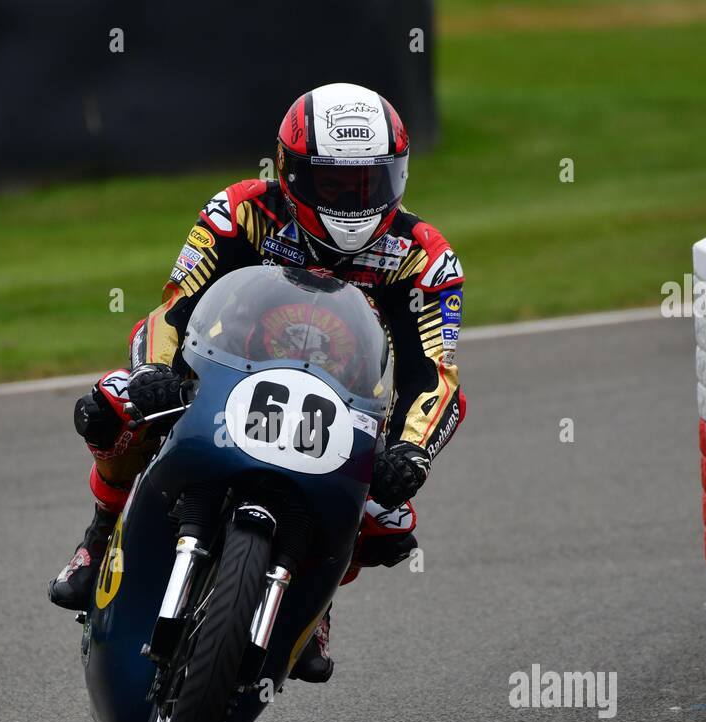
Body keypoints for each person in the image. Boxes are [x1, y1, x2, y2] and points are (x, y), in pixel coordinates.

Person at [49, 82, 466, 683]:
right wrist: (157, 375)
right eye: (333, 183)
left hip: (343, 412)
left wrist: (412, 452)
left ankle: (314, 604)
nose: (353, 200)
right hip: (220, 379)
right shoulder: (239, 209)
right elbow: (176, 307)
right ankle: (97, 530)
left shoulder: (423, 255)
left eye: (369, 182)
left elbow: (436, 372)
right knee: (112, 405)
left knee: (390, 519)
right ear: (292, 171)